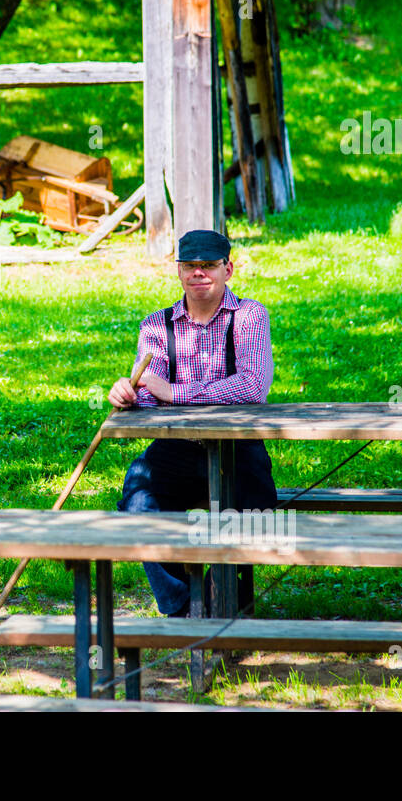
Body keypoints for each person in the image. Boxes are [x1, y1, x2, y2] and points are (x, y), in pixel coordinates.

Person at [107, 228, 275, 617]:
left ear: (228, 269)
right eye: (190, 266)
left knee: (257, 519)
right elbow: (150, 389)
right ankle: (184, 604)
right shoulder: (156, 324)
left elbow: (252, 386)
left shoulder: (249, 316)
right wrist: (127, 393)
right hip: (177, 447)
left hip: (237, 448)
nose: (199, 274)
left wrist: (175, 392)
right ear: (178, 270)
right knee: (136, 502)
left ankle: (230, 594)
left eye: (209, 266)